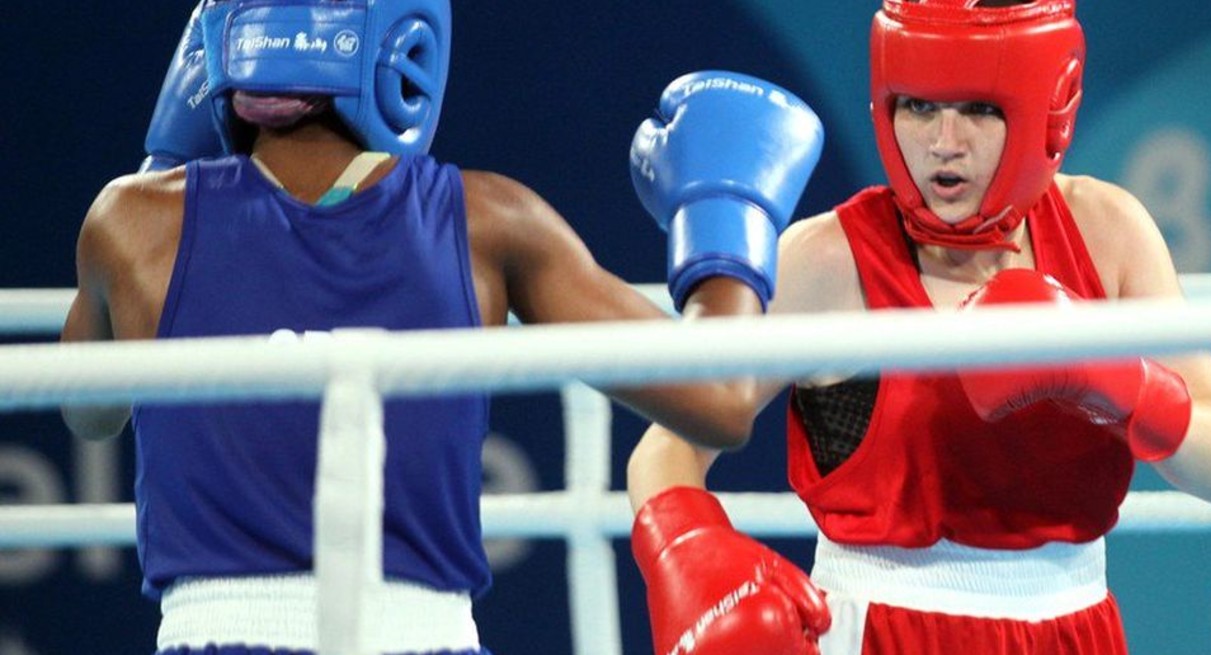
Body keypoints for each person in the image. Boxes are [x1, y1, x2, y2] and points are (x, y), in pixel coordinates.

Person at [58, 1, 827, 654]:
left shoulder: (130, 223)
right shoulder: (487, 221)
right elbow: (722, 397)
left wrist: (162, 169)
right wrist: (726, 218)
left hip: (211, 635)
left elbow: (89, 411)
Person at [627, 1, 1211, 654]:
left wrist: (1119, 382)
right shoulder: (828, 259)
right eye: (919, 106)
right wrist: (690, 550)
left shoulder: (1109, 233)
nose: (943, 142)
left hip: (1079, 629)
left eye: (980, 109)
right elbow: (665, 448)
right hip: (880, 630)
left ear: (1047, 104)